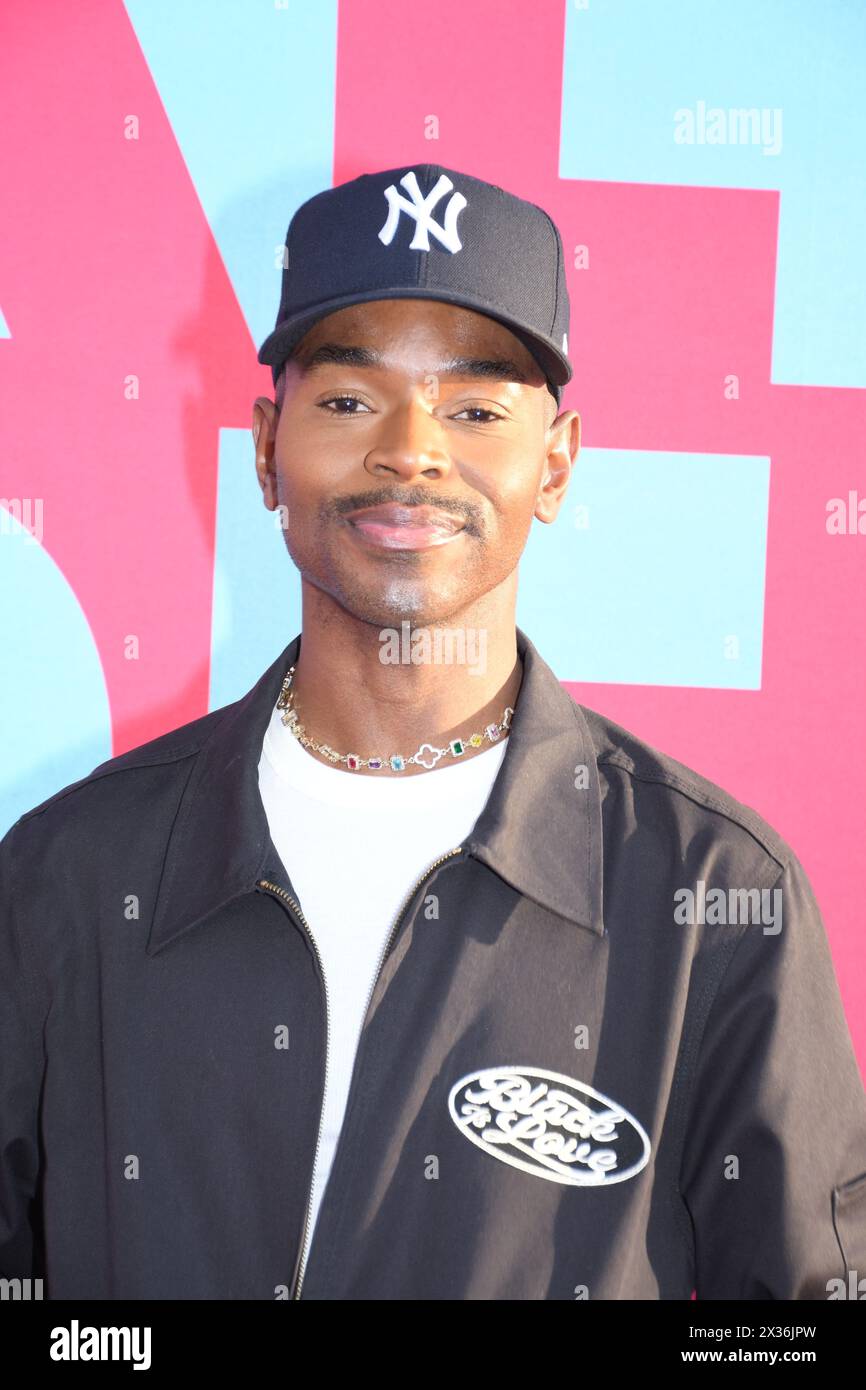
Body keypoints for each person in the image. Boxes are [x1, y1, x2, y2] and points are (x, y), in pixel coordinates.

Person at [1, 164, 865, 1300]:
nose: (410, 449)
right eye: (351, 400)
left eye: (473, 408)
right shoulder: (75, 866)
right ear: (266, 447)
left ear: (553, 463)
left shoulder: (711, 891)